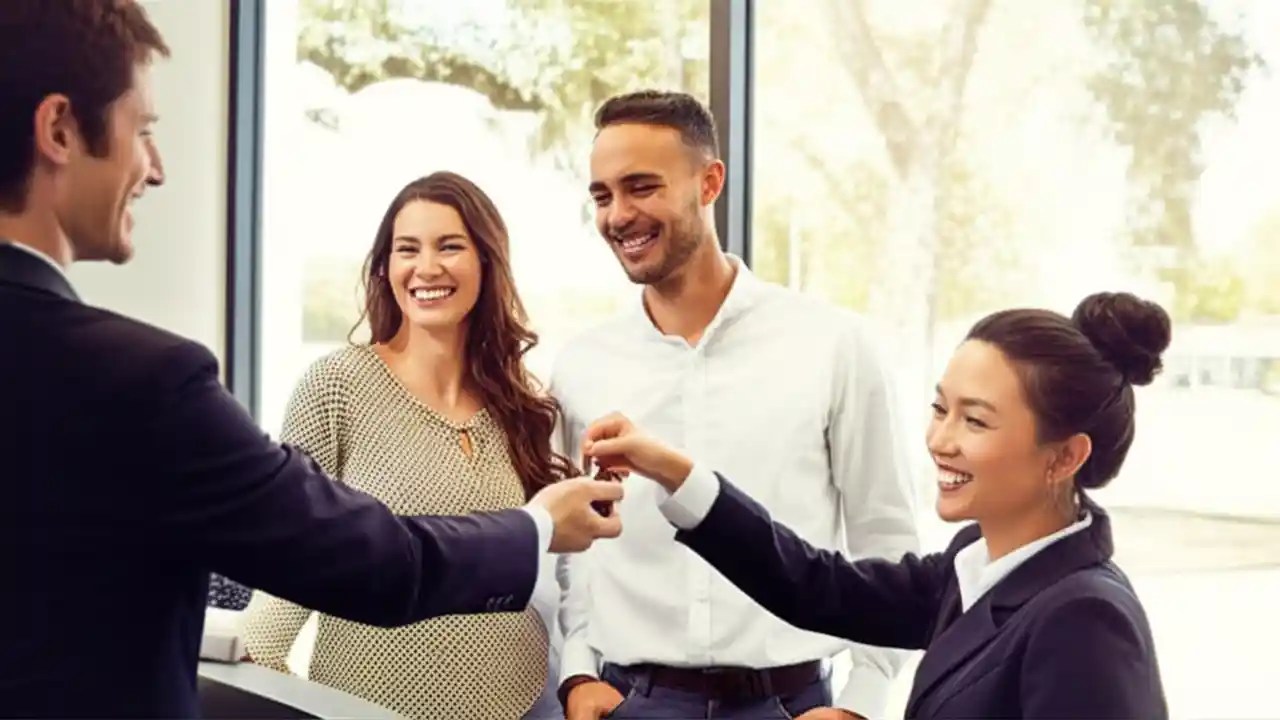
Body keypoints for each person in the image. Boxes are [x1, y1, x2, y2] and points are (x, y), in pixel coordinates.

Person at [0, 3, 621, 717]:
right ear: (58, 130)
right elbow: (350, 561)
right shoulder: (151, 384)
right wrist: (539, 526)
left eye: (450, 245)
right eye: (142, 129)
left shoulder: (525, 401)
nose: (157, 168)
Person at [580, 292, 1171, 719]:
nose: (940, 441)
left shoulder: (1085, 618)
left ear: (1064, 457)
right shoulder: (976, 562)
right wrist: (672, 470)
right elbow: (817, 586)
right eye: (941, 409)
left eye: (976, 420)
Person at [552, 90, 918, 720]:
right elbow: (575, 548)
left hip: (790, 703)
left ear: (710, 181)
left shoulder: (832, 344)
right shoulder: (583, 364)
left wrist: (863, 698)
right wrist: (579, 671)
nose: (618, 215)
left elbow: (883, 535)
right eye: (603, 195)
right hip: (630, 704)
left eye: (642, 187)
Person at [243, 172, 567, 720]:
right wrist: (252, 668)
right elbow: (290, 556)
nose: (426, 268)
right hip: (367, 707)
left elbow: (549, 570)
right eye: (407, 249)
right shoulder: (336, 387)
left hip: (524, 703)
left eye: (450, 246)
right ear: (385, 268)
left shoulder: (522, 404)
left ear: (487, 262)